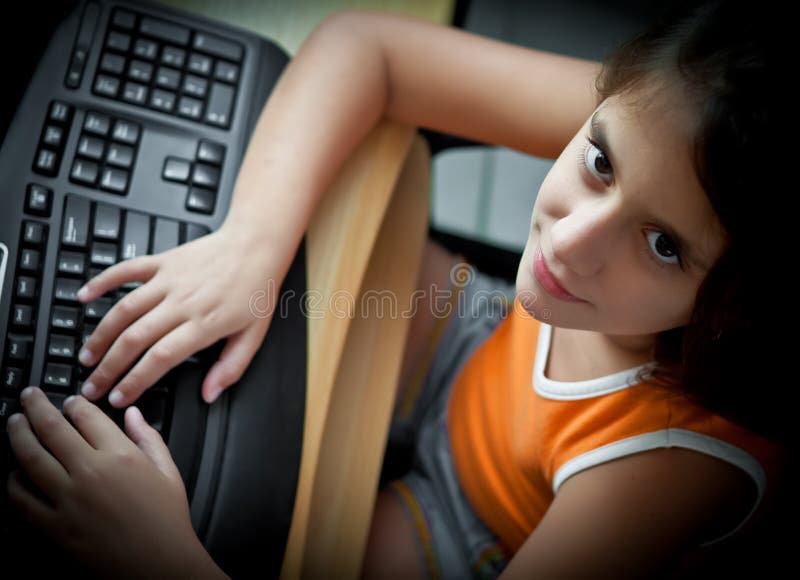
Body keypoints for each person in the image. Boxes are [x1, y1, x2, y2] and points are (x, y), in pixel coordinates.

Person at [5, 0, 788, 577]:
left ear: (735, 310)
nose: (567, 243)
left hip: (471, 529)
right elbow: (369, 48)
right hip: (477, 333)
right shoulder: (670, 107)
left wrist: (159, 559)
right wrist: (250, 246)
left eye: (663, 246)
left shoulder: (669, 467)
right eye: (599, 163)